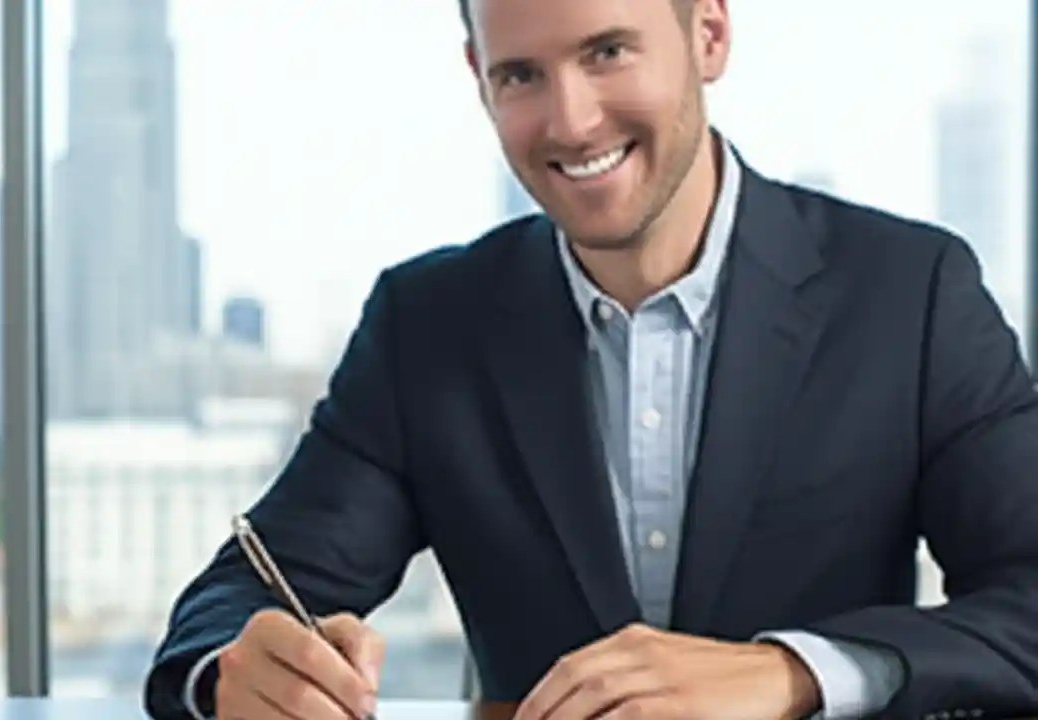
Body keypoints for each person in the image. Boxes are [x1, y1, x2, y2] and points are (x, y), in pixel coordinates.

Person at [145, 0, 1038, 717]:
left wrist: (790, 676)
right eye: (522, 74)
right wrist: (234, 672)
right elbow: (242, 595)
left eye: (608, 52)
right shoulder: (426, 326)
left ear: (710, 34)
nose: (570, 121)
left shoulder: (912, 292)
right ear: (478, 79)